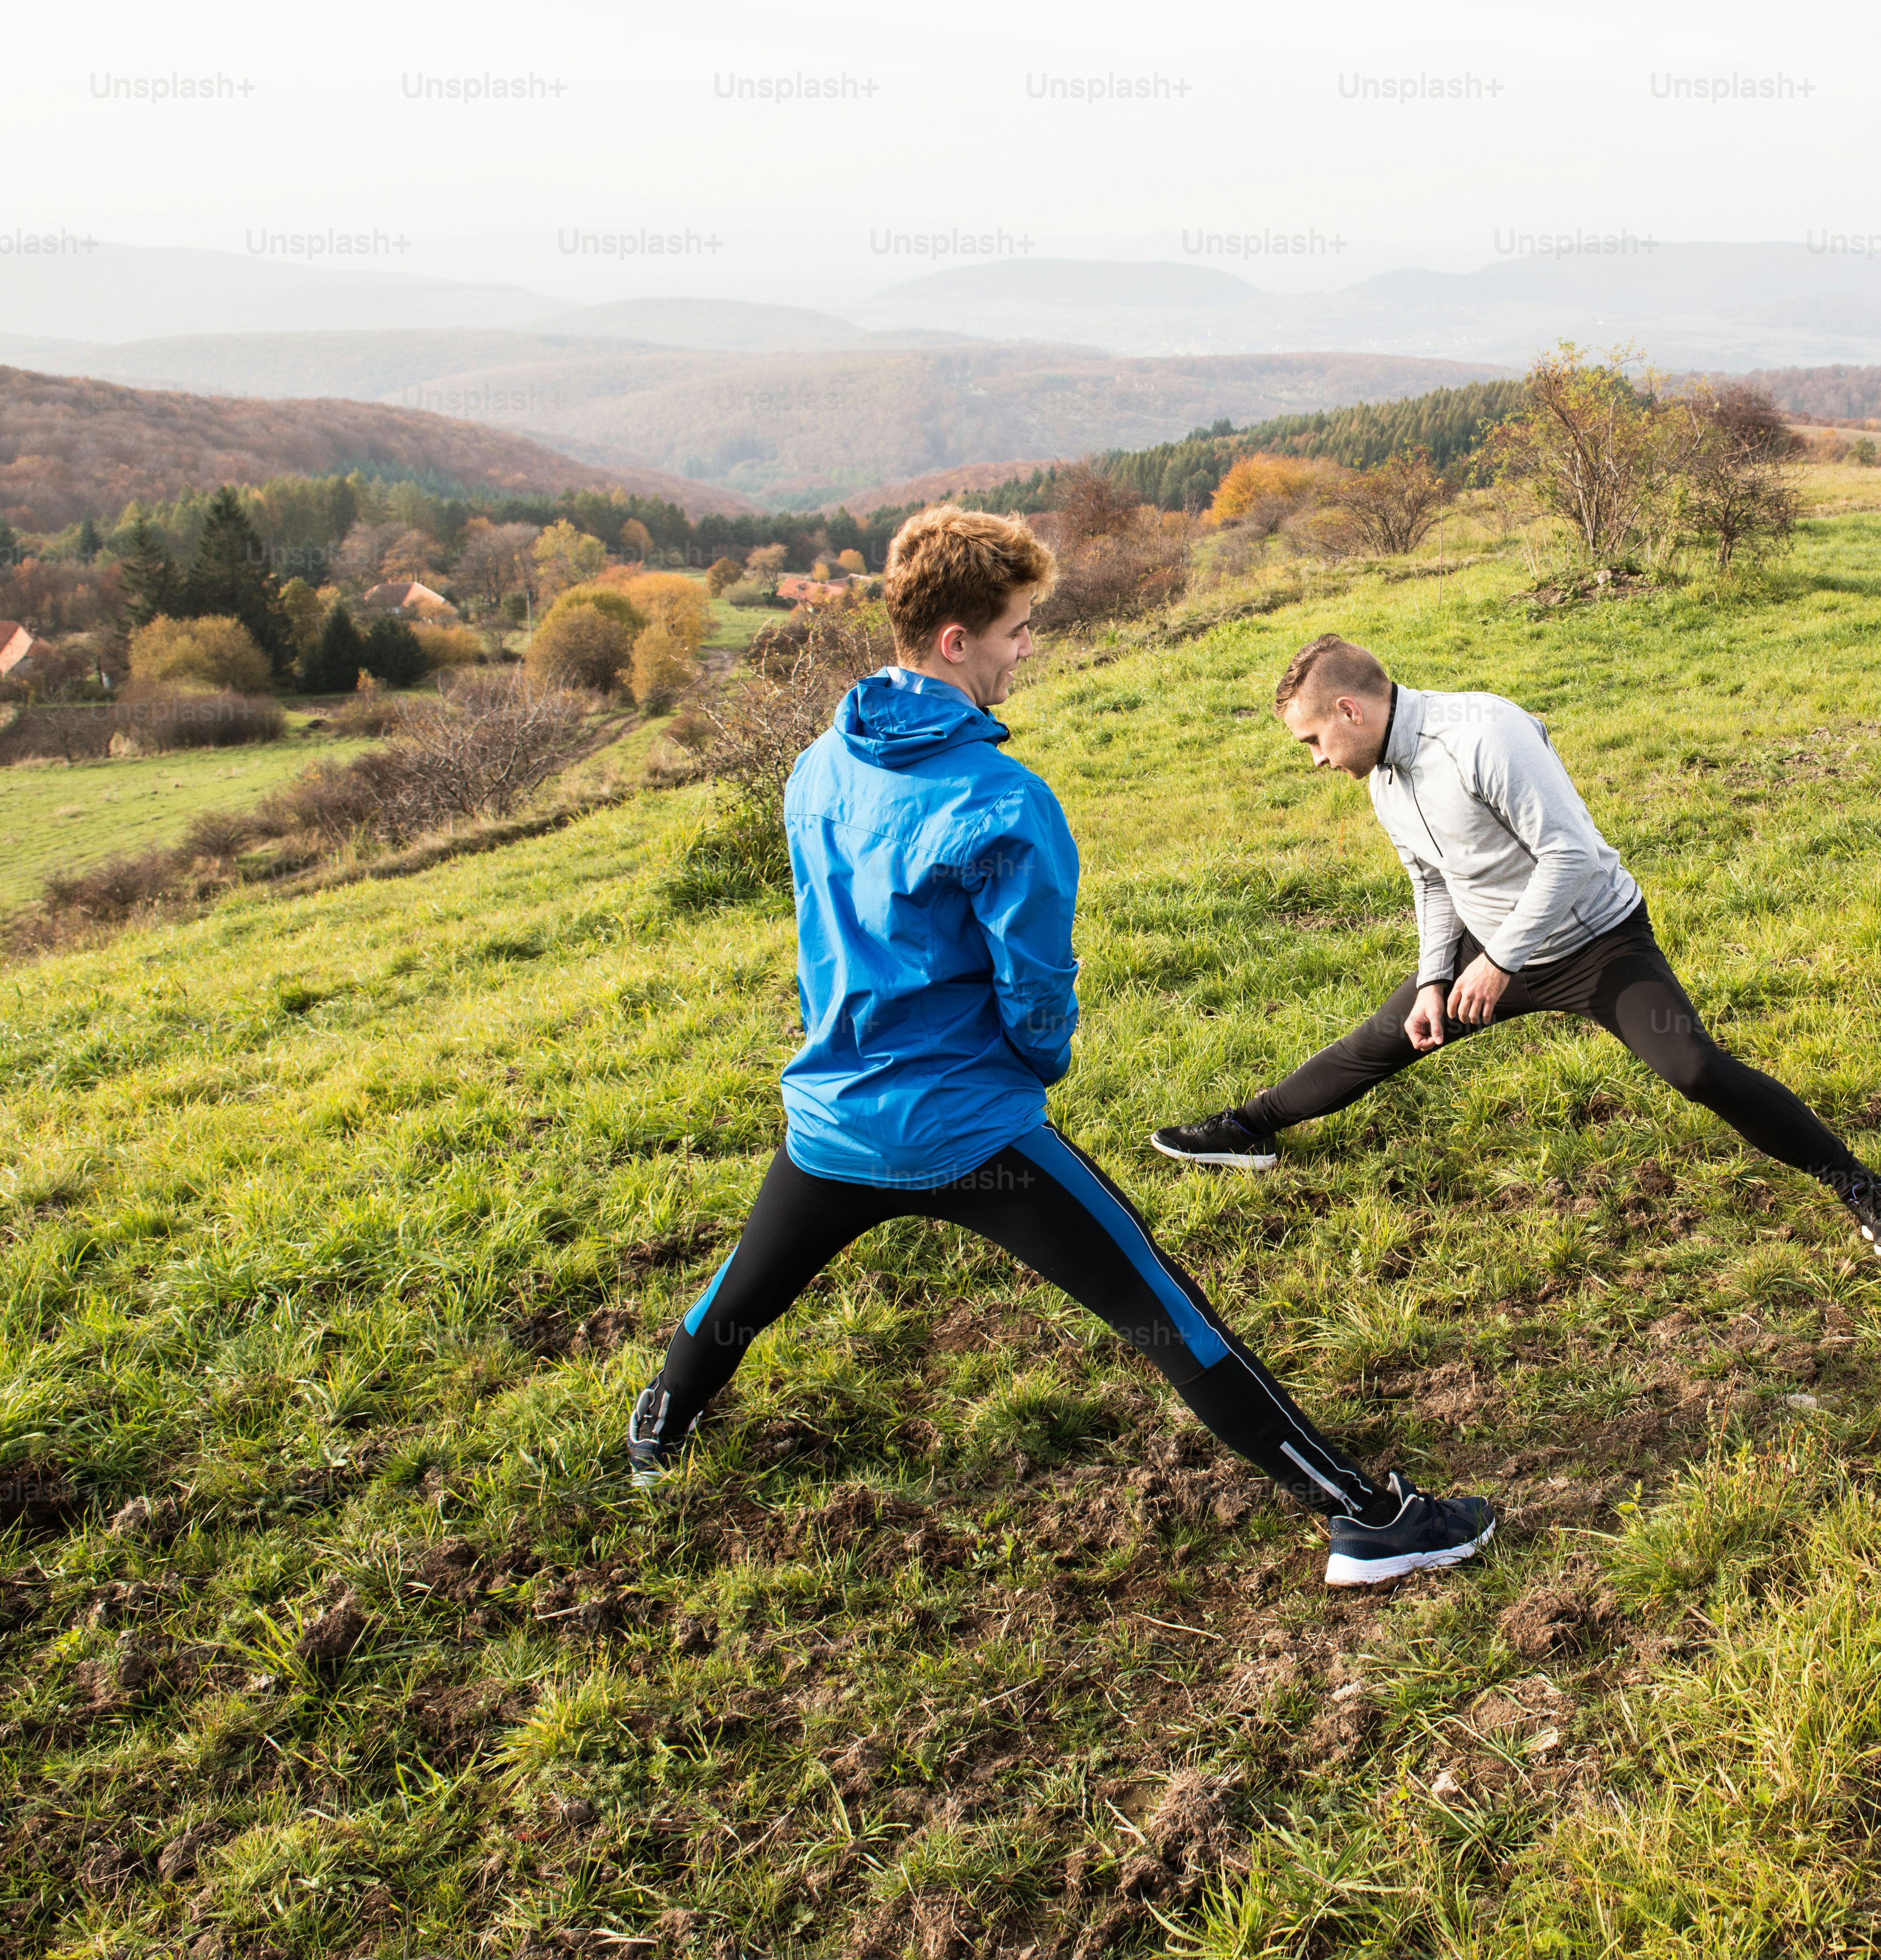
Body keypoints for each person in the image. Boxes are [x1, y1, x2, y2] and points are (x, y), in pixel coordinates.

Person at [627, 514, 1493, 1588]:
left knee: (740, 1295)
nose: (1027, 647)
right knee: (1172, 1322)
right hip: (969, 1129)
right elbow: (1035, 987)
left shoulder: (815, 765)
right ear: (954, 640)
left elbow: (819, 934)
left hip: (833, 1116)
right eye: (1016, 630)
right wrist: (1036, 1069)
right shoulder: (1004, 800)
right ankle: (1366, 1518)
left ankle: (654, 1439)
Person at [1152, 636, 1881, 1255]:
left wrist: (1499, 961)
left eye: (1313, 741)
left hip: (1596, 944)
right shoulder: (1385, 779)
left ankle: (1865, 1187)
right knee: (1381, 1041)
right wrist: (1431, 982)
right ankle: (1247, 1130)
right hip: (1495, 953)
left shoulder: (1484, 733)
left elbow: (1571, 855)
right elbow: (1432, 881)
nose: (1316, 760)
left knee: (1697, 1069)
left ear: (1349, 710)